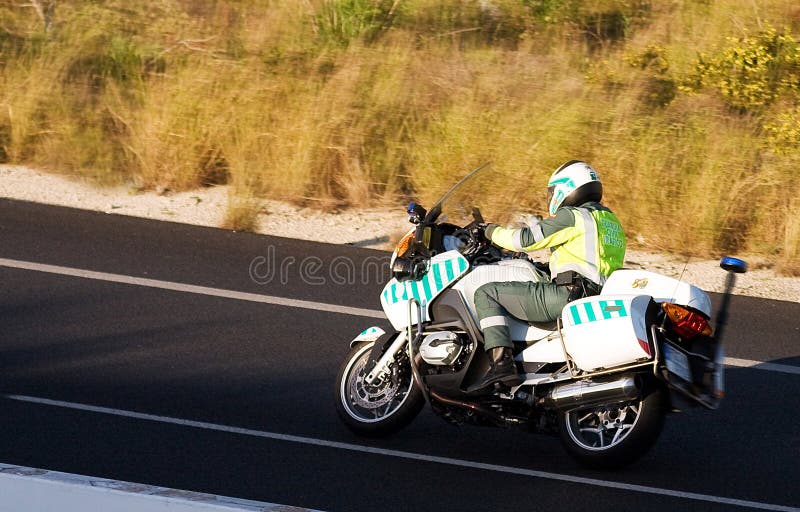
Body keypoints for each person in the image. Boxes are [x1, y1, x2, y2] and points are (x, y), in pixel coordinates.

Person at [469, 160, 627, 391]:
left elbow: (524, 240)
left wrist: (489, 230)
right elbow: (589, 259)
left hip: (567, 295)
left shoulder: (574, 216)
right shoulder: (610, 221)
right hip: (596, 296)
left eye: (552, 192)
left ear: (568, 187)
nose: (551, 196)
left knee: (487, 293)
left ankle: (501, 364)